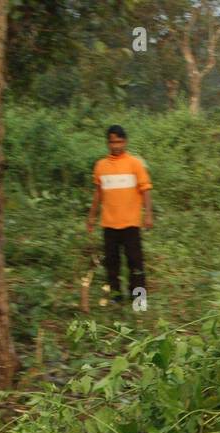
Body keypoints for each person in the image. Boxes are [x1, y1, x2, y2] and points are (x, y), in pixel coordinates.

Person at [87, 125, 153, 305]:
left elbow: (146, 190)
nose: (115, 145)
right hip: (109, 224)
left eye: (119, 141)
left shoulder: (135, 164)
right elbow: (98, 193)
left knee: (135, 263)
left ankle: (139, 299)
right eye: (112, 142)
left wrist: (148, 215)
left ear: (125, 142)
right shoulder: (101, 166)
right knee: (112, 263)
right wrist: (91, 217)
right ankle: (116, 297)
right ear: (107, 143)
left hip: (131, 223)